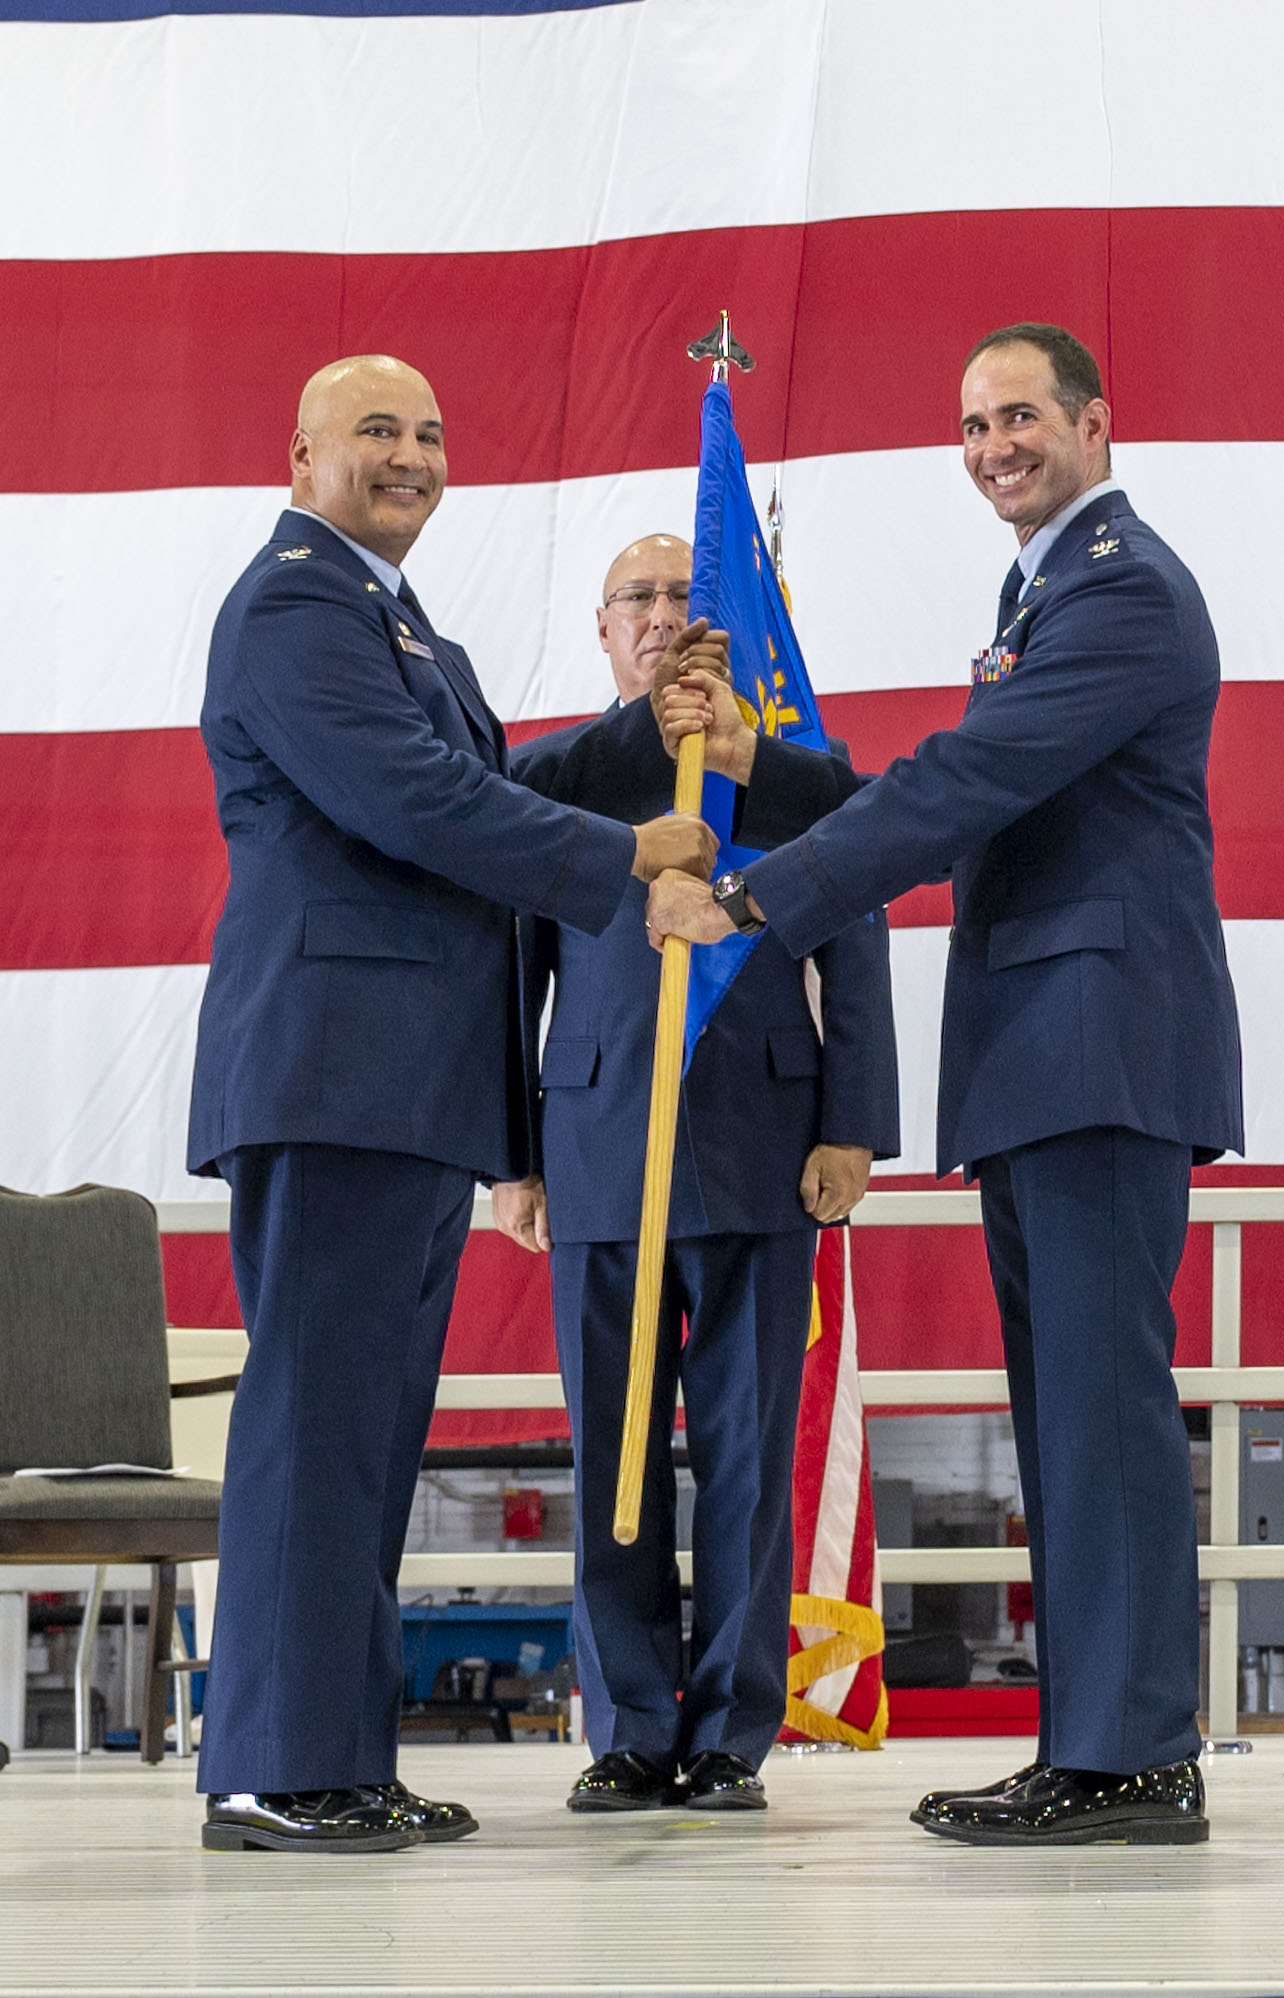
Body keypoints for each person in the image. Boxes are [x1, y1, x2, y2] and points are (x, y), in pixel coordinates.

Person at [648, 323, 1243, 1847]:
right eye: (974, 420)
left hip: (1100, 1047)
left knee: (1100, 1413)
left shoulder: (1119, 589)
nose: (993, 444)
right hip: (1051, 1050)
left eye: (1023, 414)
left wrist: (767, 893)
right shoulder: (1043, 586)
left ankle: (1129, 1753)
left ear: (1099, 422)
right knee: (1068, 1415)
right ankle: (1097, 1740)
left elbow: (970, 782)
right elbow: (950, 775)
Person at [185, 355, 718, 1854]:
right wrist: (625, 856)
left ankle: (332, 1753)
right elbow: (416, 803)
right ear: (301, 458)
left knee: (365, 1434)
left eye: (429, 429)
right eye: (377, 430)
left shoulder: (398, 623)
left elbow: (486, 772)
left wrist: (637, 736)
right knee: (314, 1422)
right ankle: (273, 1768)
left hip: (403, 1082)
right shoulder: (293, 604)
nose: (412, 453)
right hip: (335, 1067)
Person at [489, 532, 897, 1815]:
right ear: (604, 629)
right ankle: (626, 1724)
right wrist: (512, 1157)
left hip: (764, 1145)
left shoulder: (801, 786)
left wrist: (854, 1126)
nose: (663, 618)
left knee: (745, 1455)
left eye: (686, 598)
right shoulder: (553, 781)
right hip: (601, 1142)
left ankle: (728, 1730)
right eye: (639, 600)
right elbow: (511, 984)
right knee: (612, 1450)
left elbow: (860, 947)